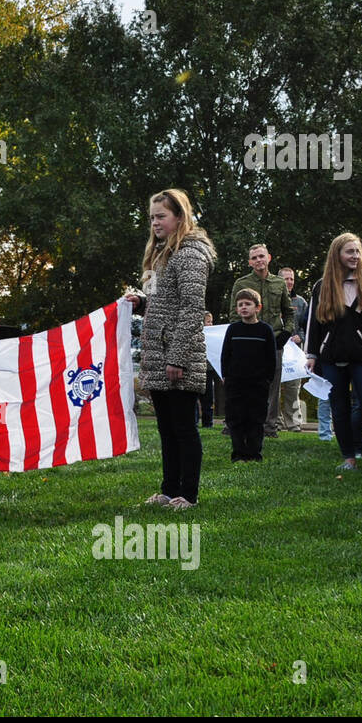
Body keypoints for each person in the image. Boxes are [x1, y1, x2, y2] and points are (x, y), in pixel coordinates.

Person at [124, 189, 216, 510]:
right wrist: (142, 303)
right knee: (166, 429)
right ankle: (168, 489)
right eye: (151, 217)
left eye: (161, 216)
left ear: (180, 217)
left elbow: (192, 309)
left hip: (179, 355)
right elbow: (166, 304)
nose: (155, 223)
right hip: (158, 354)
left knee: (183, 429)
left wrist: (177, 357)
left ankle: (187, 495)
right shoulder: (162, 254)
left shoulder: (189, 254)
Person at [305, 233, 362, 473]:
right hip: (331, 357)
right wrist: (311, 355)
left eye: (357, 251)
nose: (355, 256)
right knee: (339, 408)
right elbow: (314, 324)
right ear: (337, 255)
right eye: (349, 252)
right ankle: (349, 458)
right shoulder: (321, 286)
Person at [228, 244, 295, 438]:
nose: (258, 260)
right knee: (245, 385)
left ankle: (270, 427)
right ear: (250, 262)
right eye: (254, 258)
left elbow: (289, 312)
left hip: (274, 340)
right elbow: (233, 314)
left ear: (269, 258)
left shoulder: (279, 283)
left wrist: (286, 333)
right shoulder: (241, 283)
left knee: (272, 387)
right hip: (249, 342)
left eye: (261, 256)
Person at [221, 289, 276, 462]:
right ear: (236, 309)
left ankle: (253, 453)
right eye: (240, 305)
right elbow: (225, 355)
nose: (244, 308)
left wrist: (267, 378)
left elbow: (271, 358)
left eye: (248, 304)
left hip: (258, 383)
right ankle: (238, 453)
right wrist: (226, 375)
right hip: (235, 382)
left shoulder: (265, 330)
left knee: (256, 419)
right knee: (235, 419)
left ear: (257, 307)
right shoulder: (233, 329)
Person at [276, 267, 307, 431]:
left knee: (293, 388)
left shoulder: (300, 302)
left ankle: (293, 423)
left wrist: (300, 336)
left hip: (294, 351)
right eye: (286, 279)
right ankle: (277, 422)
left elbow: (306, 324)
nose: (289, 282)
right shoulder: (273, 298)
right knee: (275, 387)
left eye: (292, 279)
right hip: (277, 348)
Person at [198, 311, 217, 427]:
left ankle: (208, 422)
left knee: (208, 399)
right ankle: (194, 421)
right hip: (196, 369)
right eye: (208, 322)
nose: (210, 324)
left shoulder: (213, 336)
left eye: (211, 322)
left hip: (208, 371)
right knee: (194, 398)